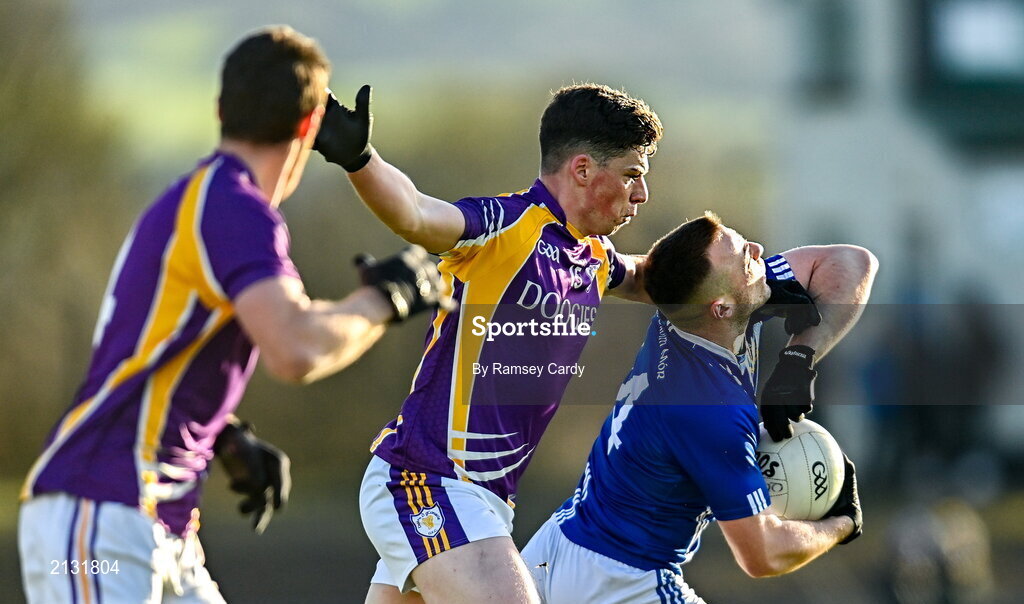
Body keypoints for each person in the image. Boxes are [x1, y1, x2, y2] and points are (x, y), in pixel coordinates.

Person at [18, 26, 449, 604]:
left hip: (157, 524)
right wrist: (384, 299)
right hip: (102, 507)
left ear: (221, 109)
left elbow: (153, 347)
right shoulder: (233, 208)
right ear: (308, 126)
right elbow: (295, 349)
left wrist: (219, 434)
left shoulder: (203, 200)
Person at [314, 82, 664, 602]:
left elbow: (652, 277)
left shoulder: (594, 256)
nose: (642, 195)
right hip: (427, 481)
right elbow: (415, 213)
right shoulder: (507, 226)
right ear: (584, 169)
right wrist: (358, 157)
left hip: (484, 501)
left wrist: (763, 279)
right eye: (633, 175)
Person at [519, 212, 878, 603]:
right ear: (720, 307)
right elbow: (761, 553)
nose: (758, 251)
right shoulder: (711, 409)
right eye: (745, 257)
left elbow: (853, 261)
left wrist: (799, 357)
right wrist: (841, 524)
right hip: (618, 578)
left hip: (556, 547)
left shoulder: (705, 307)